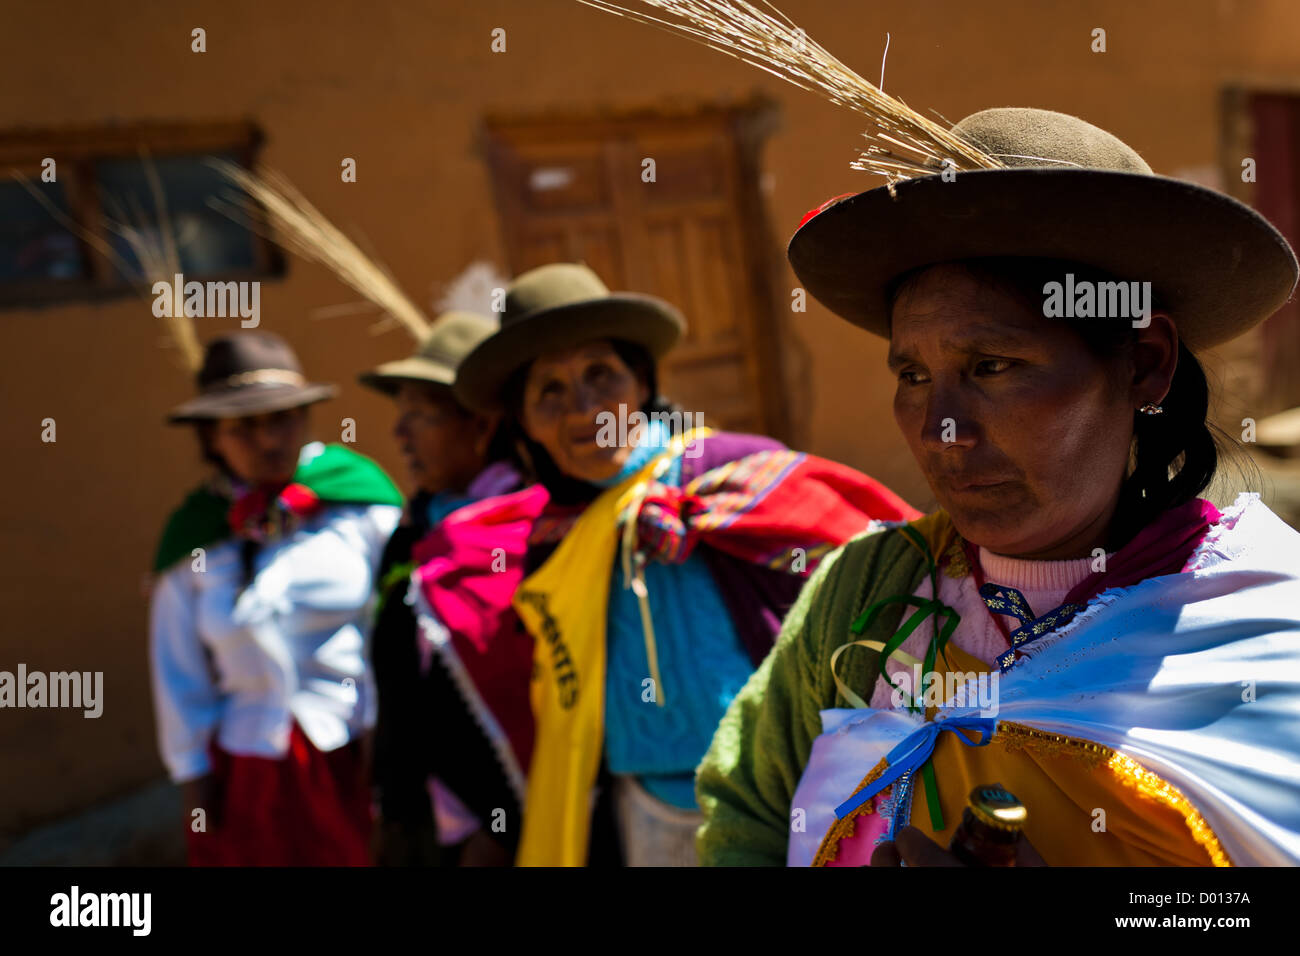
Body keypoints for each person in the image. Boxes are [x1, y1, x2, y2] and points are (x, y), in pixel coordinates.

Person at [696, 107, 1300, 866]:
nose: (940, 427)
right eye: (913, 375)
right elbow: (747, 817)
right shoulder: (868, 597)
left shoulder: (1268, 631)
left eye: (993, 367)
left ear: (1144, 363)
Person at [452, 262, 919, 865]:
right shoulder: (550, 541)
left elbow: (871, 556)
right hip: (646, 808)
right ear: (524, 421)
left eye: (601, 374)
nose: (583, 407)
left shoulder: (723, 474)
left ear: (641, 383)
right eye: (549, 391)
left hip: (778, 789)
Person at [149, 331, 404, 865]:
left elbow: (402, 630)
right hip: (246, 772)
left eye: (281, 419)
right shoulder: (193, 537)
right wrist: (194, 780)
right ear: (211, 440)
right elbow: (178, 673)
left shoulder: (360, 505)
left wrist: (392, 743)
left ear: (306, 419)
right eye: (242, 427)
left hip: (354, 754)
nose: (267, 441)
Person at [360, 312, 543, 866]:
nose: (400, 434)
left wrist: (501, 828)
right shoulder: (415, 532)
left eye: (420, 415)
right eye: (401, 415)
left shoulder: (532, 536)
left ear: (483, 424)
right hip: (425, 823)